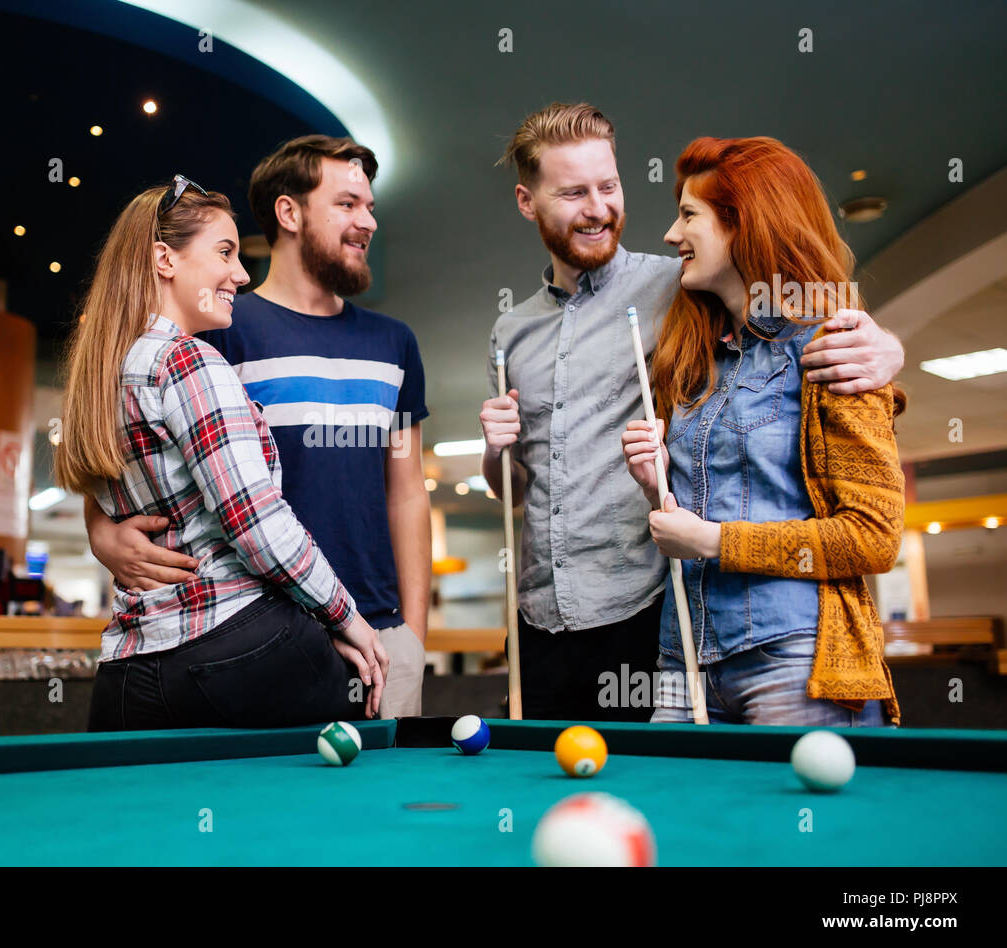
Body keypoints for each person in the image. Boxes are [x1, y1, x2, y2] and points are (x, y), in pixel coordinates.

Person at [479, 103, 905, 721]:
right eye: (573, 192)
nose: (598, 207)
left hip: (660, 616)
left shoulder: (675, 288)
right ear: (528, 201)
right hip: (594, 628)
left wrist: (887, 346)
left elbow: (798, 310)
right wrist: (497, 453)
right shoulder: (515, 330)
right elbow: (514, 492)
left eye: (609, 185)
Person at [85, 137, 431, 718]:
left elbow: (408, 494)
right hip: (267, 630)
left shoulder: (394, 344)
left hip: (380, 636)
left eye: (370, 206)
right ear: (289, 213)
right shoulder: (215, 327)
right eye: (347, 204)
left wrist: (413, 636)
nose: (367, 221)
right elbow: (126, 446)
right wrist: (101, 532)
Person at [620, 137, 905, 726]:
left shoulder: (834, 346)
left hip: (794, 658)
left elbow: (872, 538)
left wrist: (712, 542)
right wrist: (656, 489)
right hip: (684, 661)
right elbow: (691, 518)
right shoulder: (691, 356)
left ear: (742, 223)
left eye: (689, 215)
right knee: (668, 818)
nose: (671, 235)